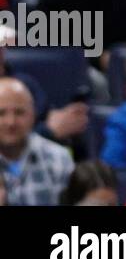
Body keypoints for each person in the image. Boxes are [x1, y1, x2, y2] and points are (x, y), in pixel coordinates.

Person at [0, 77, 74, 205]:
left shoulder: (59, 158)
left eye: (19, 112)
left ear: (33, 115)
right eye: (1, 113)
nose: (11, 122)